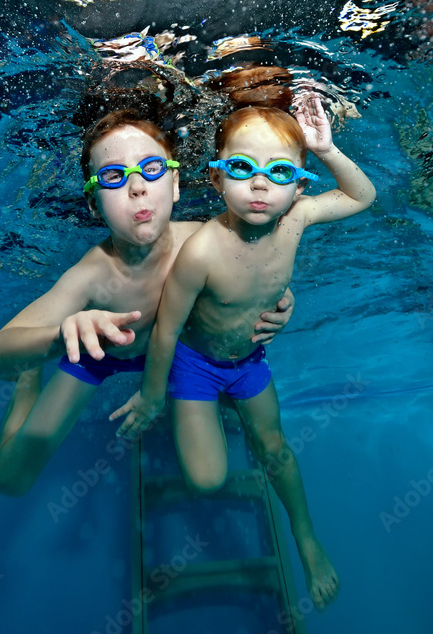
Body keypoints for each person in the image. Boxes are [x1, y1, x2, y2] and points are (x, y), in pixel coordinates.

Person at [111, 94, 376, 610]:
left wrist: (325, 149)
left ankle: (306, 539)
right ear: (216, 179)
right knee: (207, 479)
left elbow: (362, 196)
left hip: (248, 362)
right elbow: (166, 330)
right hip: (195, 365)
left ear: (300, 185)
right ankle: (206, 408)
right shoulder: (202, 251)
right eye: (241, 168)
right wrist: (151, 396)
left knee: (276, 449)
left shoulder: (297, 218)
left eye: (279, 172)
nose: (259, 184)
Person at [0, 108, 294, 497]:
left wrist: (282, 305)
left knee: (241, 415)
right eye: (113, 176)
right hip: (101, 353)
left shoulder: (205, 243)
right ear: (94, 204)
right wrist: (60, 337)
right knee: (9, 479)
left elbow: (265, 271)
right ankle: (27, 378)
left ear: (175, 184)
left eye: (152, 168)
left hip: (180, 357)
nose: (137, 187)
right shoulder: (92, 274)